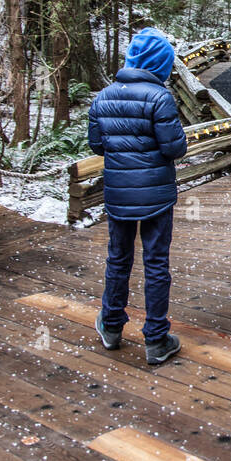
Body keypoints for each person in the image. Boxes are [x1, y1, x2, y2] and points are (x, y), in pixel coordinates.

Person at [87, 27, 188, 364]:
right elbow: (175, 148)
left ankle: (112, 327)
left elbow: (96, 145)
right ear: (160, 65)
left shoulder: (102, 97)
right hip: (157, 195)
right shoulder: (160, 98)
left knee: (118, 258)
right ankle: (156, 340)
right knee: (156, 263)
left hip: (118, 193)